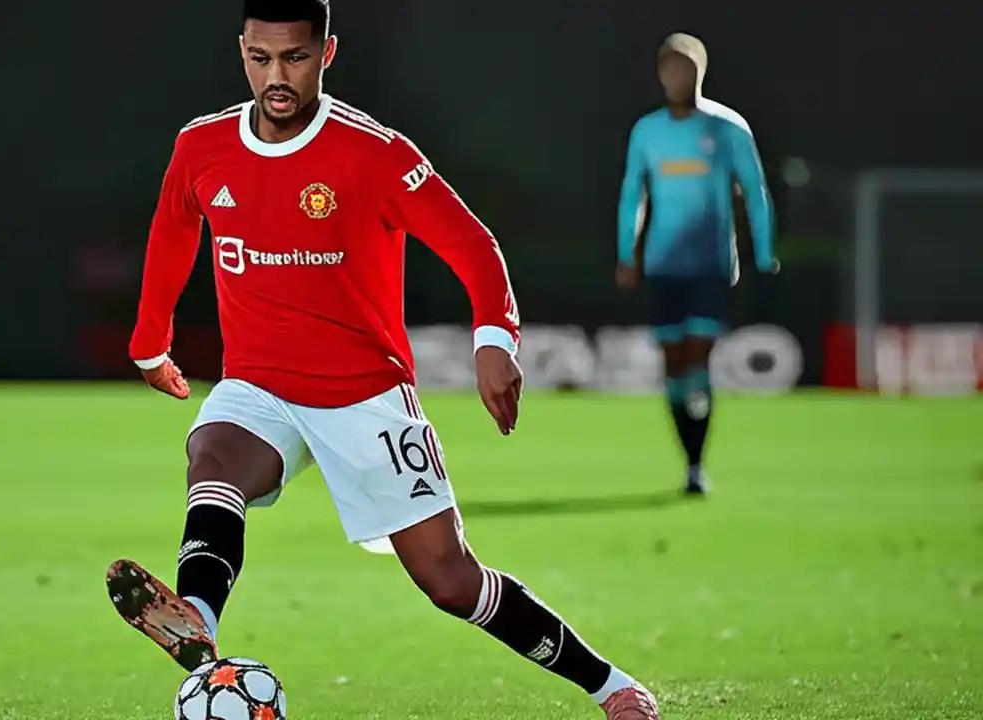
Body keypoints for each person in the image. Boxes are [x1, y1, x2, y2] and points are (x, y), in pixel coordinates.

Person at [107, 1, 660, 717]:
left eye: (295, 59)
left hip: (363, 395)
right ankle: (198, 624)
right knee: (213, 456)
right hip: (260, 384)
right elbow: (174, 228)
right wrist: (150, 339)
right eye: (260, 58)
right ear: (241, 49)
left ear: (327, 52)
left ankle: (612, 686)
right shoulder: (203, 145)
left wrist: (495, 341)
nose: (277, 77)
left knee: (450, 580)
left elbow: (473, 245)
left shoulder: (374, 154)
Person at [616, 32, 777, 496]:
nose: (677, 76)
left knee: (698, 357)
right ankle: (688, 459)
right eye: (669, 68)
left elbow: (755, 191)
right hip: (664, 266)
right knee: (672, 362)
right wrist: (627, 254)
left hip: (709, 265)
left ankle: (696, 462)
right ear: (660, 75)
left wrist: (764, 253)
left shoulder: (727, 129)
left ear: (700, 72)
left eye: (685, 67)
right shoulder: (648, 131)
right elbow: (633, 194)